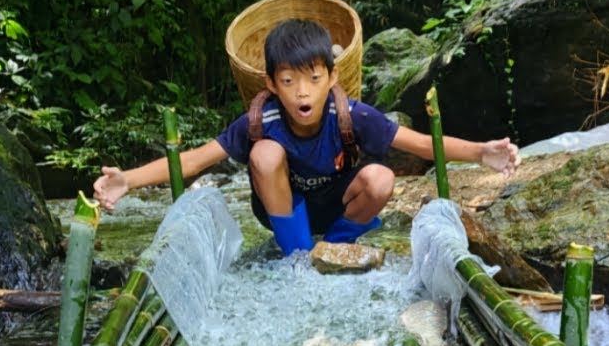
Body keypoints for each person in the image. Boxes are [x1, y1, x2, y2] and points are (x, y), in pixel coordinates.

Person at [93, 18, 520, 254]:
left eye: (314, 78)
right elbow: (192, 160)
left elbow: (422, 145)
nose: (302, 91)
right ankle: (296, 257)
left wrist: (482, 153)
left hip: (337, 207)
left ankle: (335, 247)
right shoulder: (262, 121)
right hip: (283, 213)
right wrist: (127, 181)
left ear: (332, 77)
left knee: (382, 178)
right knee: (262, 154)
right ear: (272, 83)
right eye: (289, 79)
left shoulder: (351, 114)